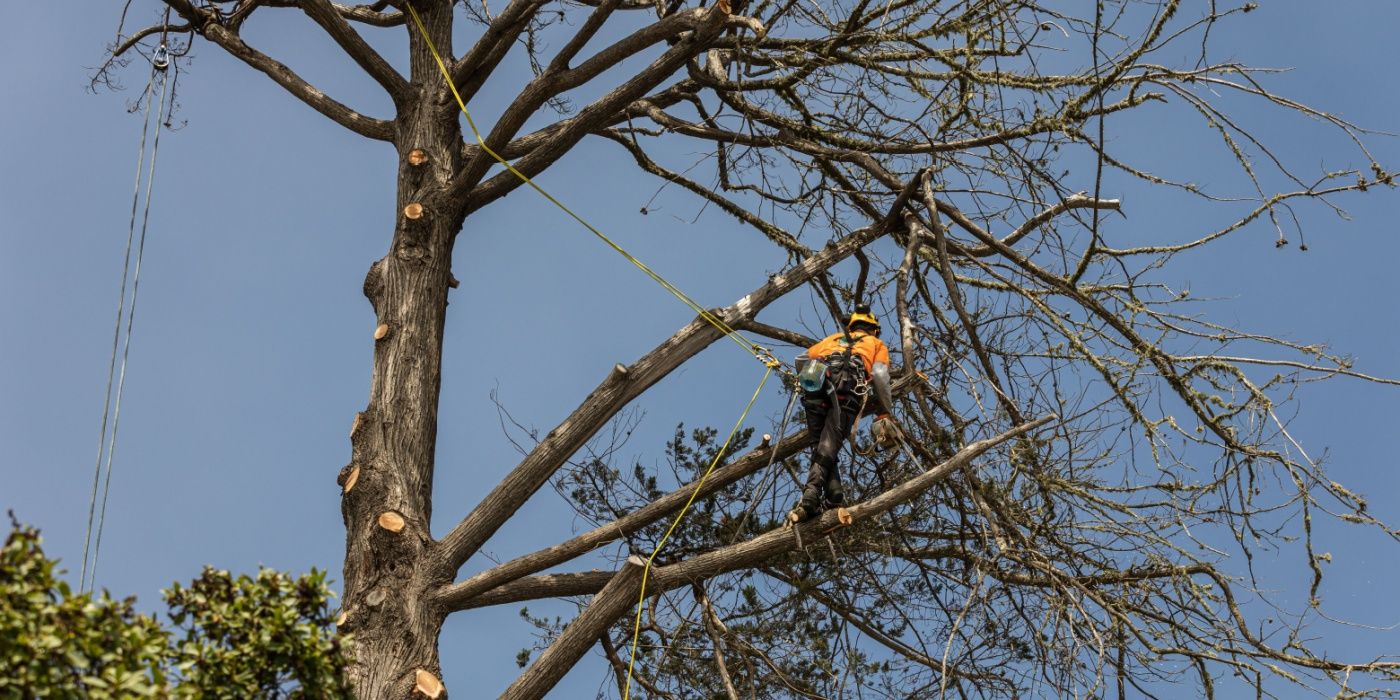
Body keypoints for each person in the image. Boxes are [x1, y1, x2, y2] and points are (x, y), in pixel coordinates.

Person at [789, 305, 895, 523]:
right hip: (847, 391)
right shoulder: (876, 343)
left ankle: (833, 493)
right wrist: (884, 411)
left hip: (818, 389)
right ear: (874, 329)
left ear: (852, 325)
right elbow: (879, 374)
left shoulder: (834, 338)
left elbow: (801, 360)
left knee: (822, 444)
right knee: (828, 445)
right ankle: (810, 495)